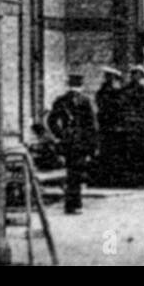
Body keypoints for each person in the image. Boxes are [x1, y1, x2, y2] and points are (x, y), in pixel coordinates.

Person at [47, 74, 98, 214]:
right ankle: (75, 204)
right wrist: (92, 144)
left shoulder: (61, 100)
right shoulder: (85, 101)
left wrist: (60, 134)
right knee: (76, 173)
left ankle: (72, 204)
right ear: (81, 85)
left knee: (72, 173)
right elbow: (92, 125)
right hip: (80, 142)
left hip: (68, 142)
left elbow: (51, 121)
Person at [119, 65, 144, 188]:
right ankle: (143, 180)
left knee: (132, 156)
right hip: (141, 129)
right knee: (142, 155)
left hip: (129, 128)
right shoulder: (143, 91)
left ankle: (133, 180)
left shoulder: (124, 90)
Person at [92, 66, 124, 187]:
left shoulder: (104, 91)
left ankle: (107, 178)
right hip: (112, 125)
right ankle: (111, 179)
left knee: (107, 152)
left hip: (106, 126)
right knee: (111, 153)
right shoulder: (112, 92)